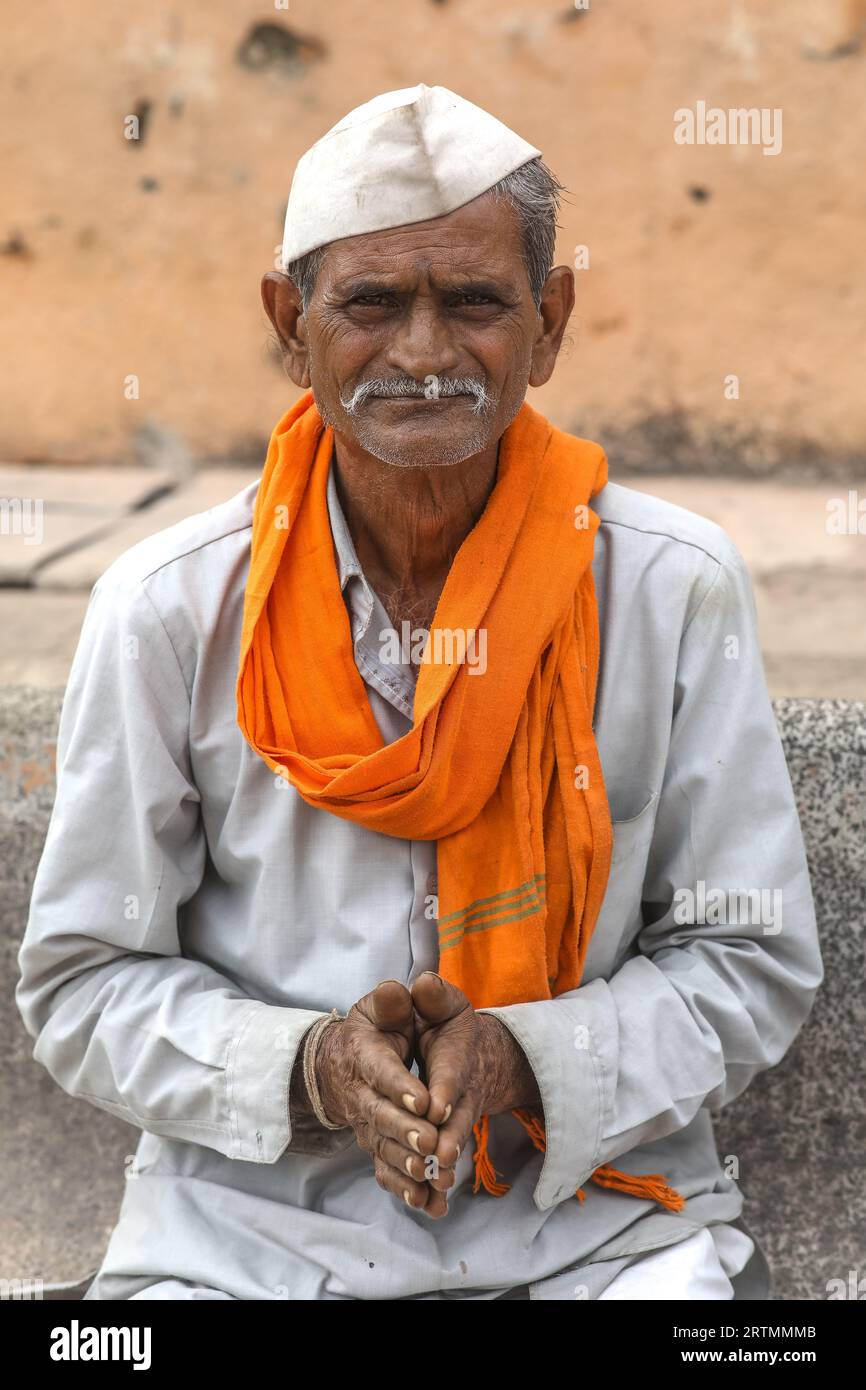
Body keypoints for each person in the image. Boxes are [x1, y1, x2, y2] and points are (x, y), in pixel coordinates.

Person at [16, 84, 822, 1300]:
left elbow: (747, 957)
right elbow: (84, 981)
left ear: (548, 324)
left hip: (594, 1234)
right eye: (371, 304)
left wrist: (528, 1054)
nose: (425, 354)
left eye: (477, 303)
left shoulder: (669, 587)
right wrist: (304, 1066)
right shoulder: (168, 607)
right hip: (245, 1245)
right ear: (290, 323)